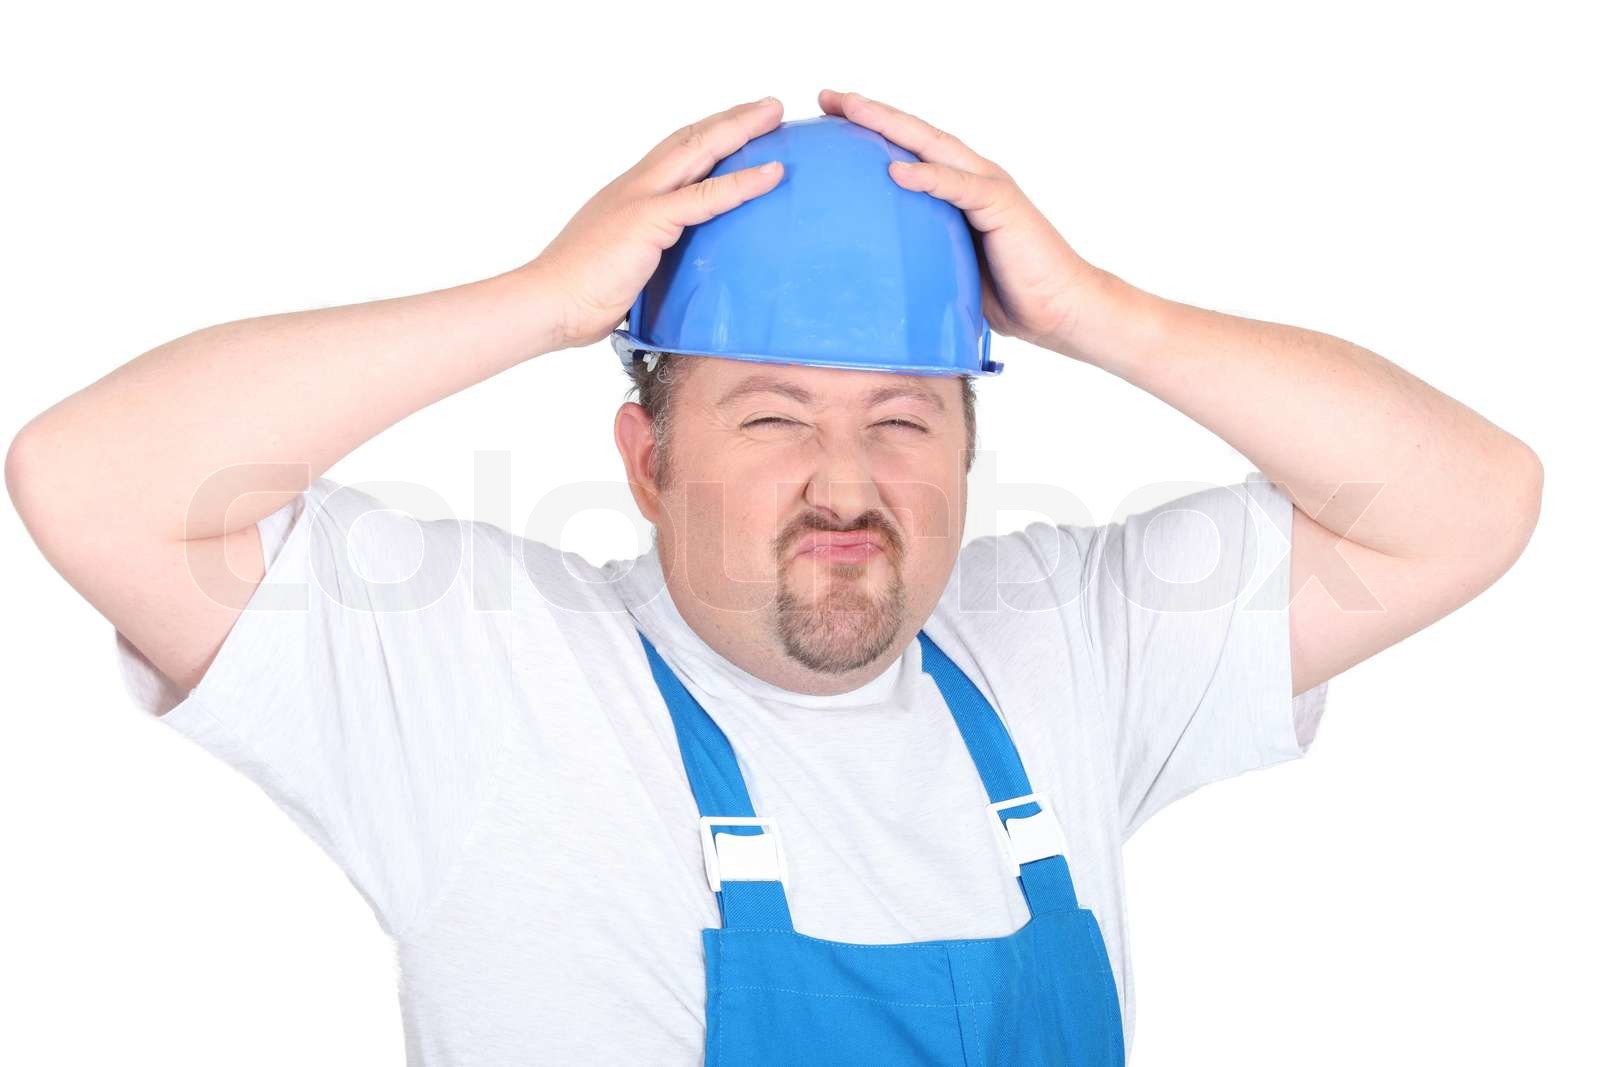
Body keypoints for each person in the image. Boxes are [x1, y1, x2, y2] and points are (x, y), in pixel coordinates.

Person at [4, 90, 1542, 1065]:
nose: (847, 483)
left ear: (968, 452)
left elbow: (1467, 505)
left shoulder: (1072, 643)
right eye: (770, 419)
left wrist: (1102, 314)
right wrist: (539, 301)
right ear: (647, 459)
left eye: (903, 418)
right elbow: (92, 482)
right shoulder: (481, 673)